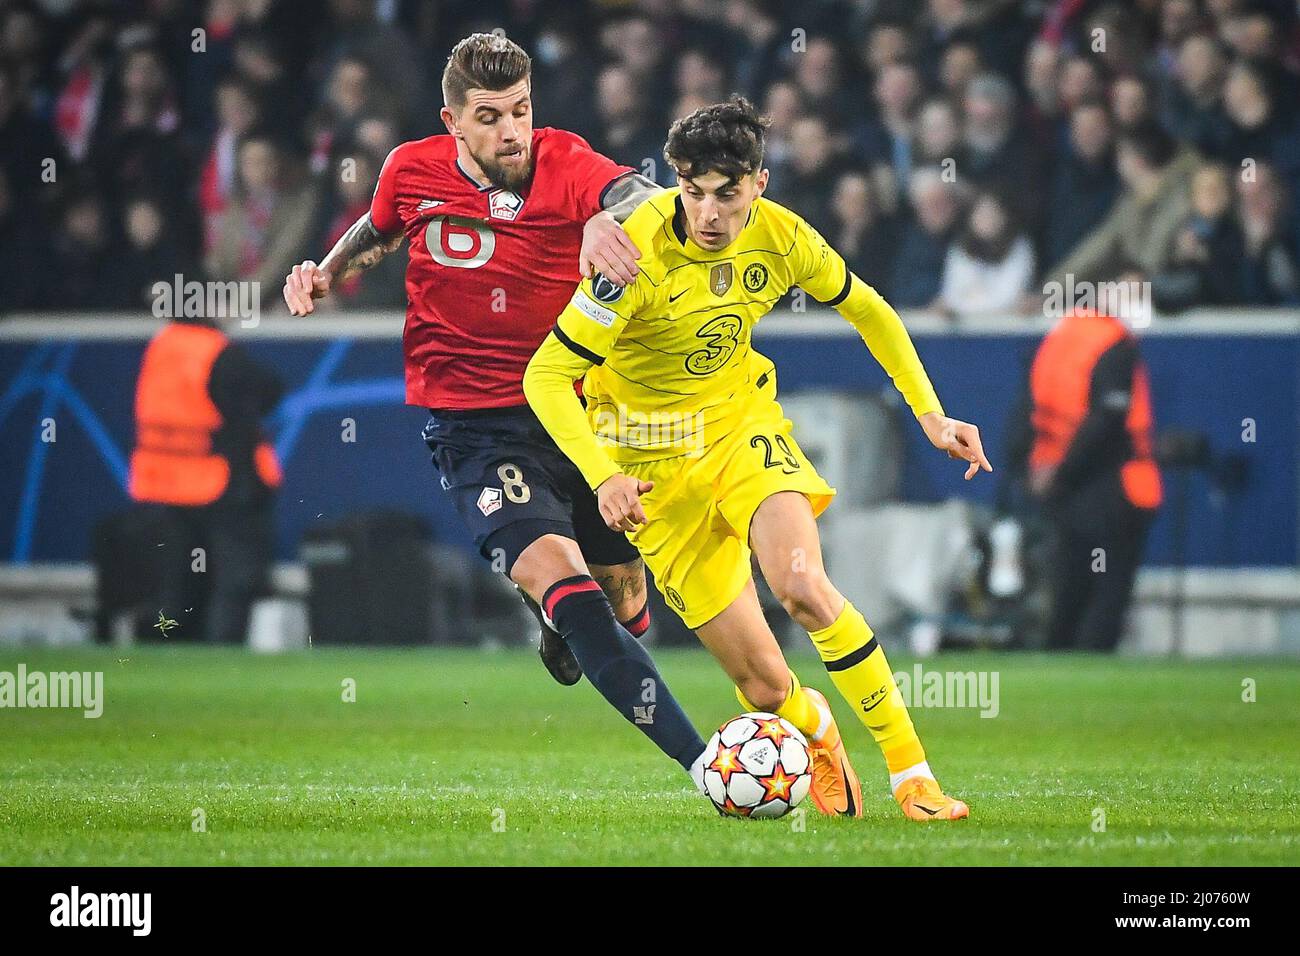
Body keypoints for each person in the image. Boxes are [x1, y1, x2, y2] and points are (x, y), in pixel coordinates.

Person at [525, 97, 990, 821]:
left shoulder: (782, 238)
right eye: (694, 192)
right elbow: (546, 377)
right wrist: (605, 475)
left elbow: (868, 308)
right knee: (768, 686)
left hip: (739, 431)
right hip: (650, 470)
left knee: (803, 586)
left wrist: (930, 413)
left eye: (728, 194)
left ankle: (914, 777)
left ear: (760, 184)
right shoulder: (632, 253)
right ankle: (820, 735)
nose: (709, 213)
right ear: (677, 183)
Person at [280, 34, 709, 790]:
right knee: (576, 598)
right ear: (452, 121)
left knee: (629, 601)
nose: (511, 131)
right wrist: (327, 270)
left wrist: (611, 224)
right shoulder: (409, 170)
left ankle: (562, 626)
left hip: (576, 418)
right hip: (475, 430)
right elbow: (378, 228)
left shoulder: (566, 161)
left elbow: (641, 198)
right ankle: (706, 766)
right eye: (489, 116)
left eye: (520, 110)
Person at [1013, 302, 1163, 651]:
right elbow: (1105, 422)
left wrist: (1033, 470)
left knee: (1068, 588)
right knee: (1106, 594)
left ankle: (1058, 665)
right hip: (1112, 485)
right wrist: (1064, 473)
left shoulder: (1058, 338)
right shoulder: (1113, 342)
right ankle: (1092, 661)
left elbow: (1027, 411)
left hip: (1059, 487)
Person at [128, 314, 283, 645]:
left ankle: (160, 661)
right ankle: (221, 659)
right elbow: (267, 391)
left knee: (172, 585)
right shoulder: (216, 351)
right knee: (233, 582)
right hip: (217, 481)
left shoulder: (161, 345)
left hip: (163, 484)